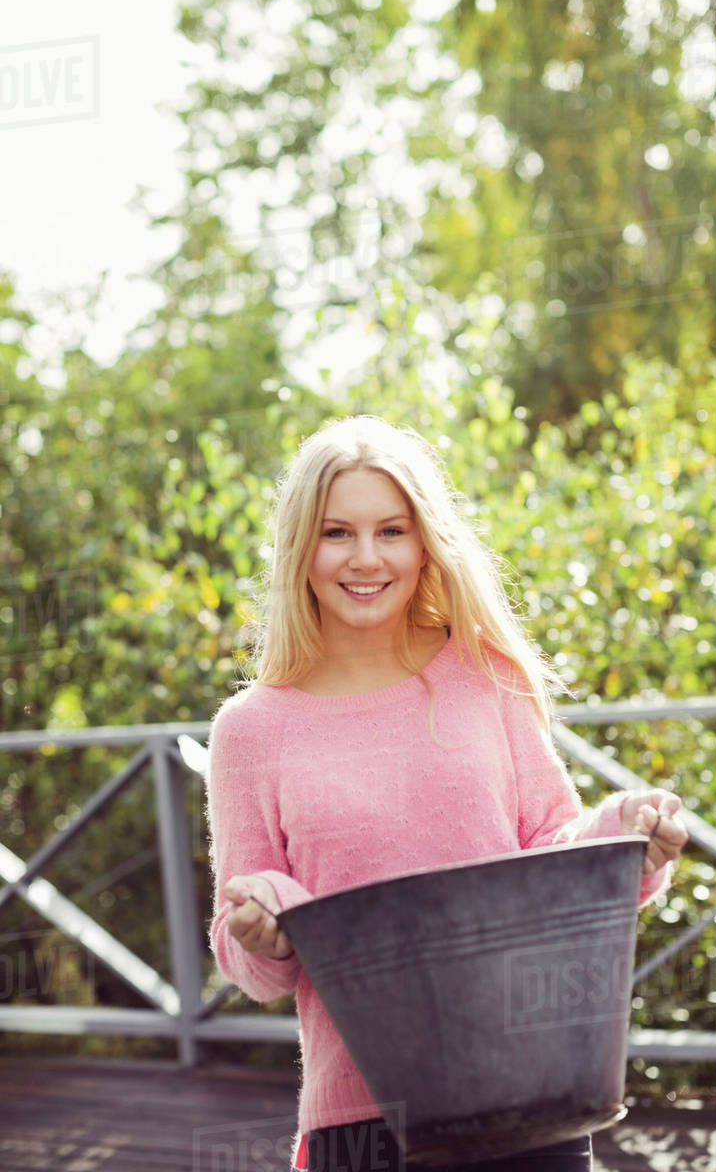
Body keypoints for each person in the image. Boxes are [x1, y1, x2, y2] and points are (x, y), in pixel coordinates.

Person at [205, 414, 688, 1172]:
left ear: (424, 541)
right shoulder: (251, 730)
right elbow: (249, 963)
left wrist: (626, 832)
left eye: (391, 530)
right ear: (302, 547)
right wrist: (259, 917)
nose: (366, 558)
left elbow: (549, 853)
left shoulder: (486, 675)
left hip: (534, 1101)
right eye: (338, 533)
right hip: (363, 1130)